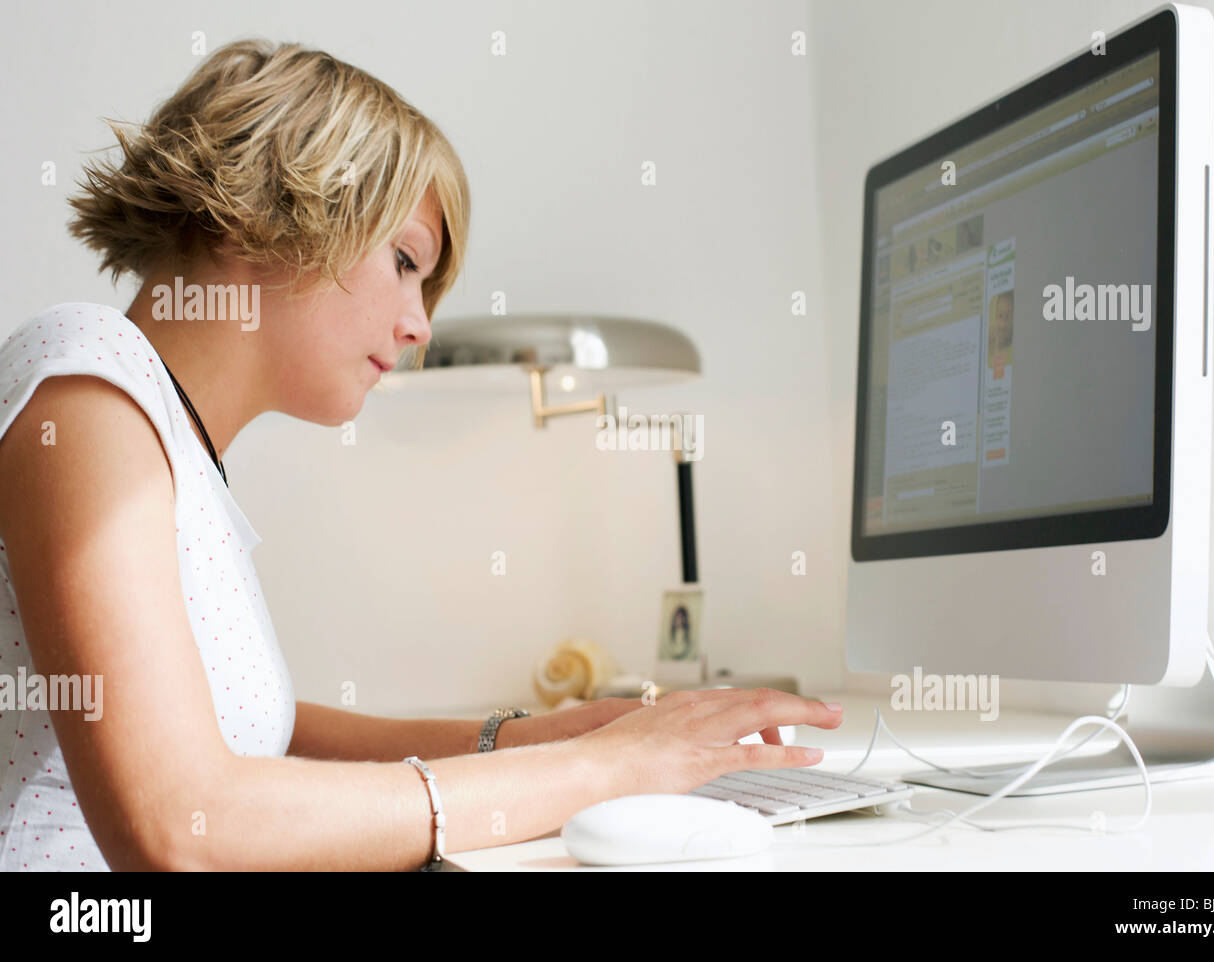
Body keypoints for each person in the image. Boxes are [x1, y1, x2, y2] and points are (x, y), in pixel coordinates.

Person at [0, 39, 838, 871]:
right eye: (404, 261)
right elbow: (182, 828)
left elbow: (261, 733)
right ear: (268, 209)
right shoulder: (85, 382)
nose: (418, 325)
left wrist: (520, 740)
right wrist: (597, 769)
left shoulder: (170, 444)